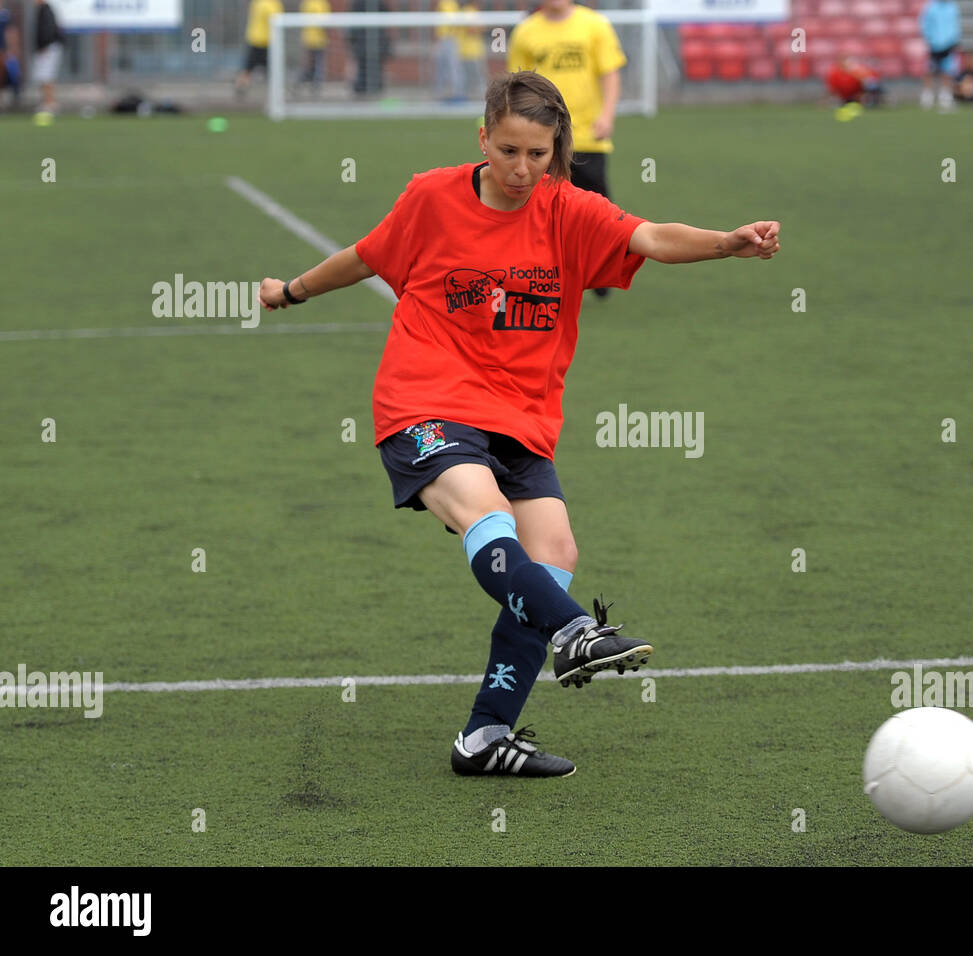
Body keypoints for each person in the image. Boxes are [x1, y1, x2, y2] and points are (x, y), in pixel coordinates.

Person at [255, 72, 780, 777]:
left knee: (555, 551)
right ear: (482, 138)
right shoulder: (430, 197)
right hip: (425, 398)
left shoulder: (570, 210)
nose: (522, 168)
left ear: (557, 149)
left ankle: (482, 738)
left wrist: (728, 242)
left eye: (538, 153)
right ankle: (573, 628)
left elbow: (651, 236)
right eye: (508, 150)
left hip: (521, 418)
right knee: (486, 512)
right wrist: (292, 289)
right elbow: (365, 256)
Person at [508, 0, 625, 297]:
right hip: (541, 138)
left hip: (586, 135)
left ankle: (601, 272)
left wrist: (607, 115)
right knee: (540, 206)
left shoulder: (595, 24)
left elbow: (610, 73)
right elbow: (516, 85)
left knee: (597, 209)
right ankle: (541, 274)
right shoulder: (525, 32)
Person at [918, 0, 961, 112]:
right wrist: (929, 38)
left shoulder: (952, 7)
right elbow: (924, 23)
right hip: (934, 44)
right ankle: (927, 96)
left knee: (946, 71)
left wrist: (954, 39)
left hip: (948, 43)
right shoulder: (930, 7)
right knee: (930, 70)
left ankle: (945, 96)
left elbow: (955, 24)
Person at [237, 0, 283, 99]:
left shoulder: (257, 3)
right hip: (265, 41)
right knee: (274, 69)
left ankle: (241, 86)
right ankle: (277, 93)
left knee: (248, 68)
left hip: (254, 39)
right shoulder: (270, 4)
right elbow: (276, 21)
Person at [32, 0, 62, 118]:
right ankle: (47, 102)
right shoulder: (42, 10)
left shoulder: (46, 9)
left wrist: (44, 45)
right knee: (43, 77)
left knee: (46, 76)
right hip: (45, 48)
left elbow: (49, 29)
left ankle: (50, 104)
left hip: (47, 49)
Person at [296, 0, 330, 96]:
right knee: (319, 63)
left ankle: (299, 84)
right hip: (319, 39)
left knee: (308, 63)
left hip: (307, 38)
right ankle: (316, 87)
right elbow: (323, 23)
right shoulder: (321, 4)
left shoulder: (306, 3)